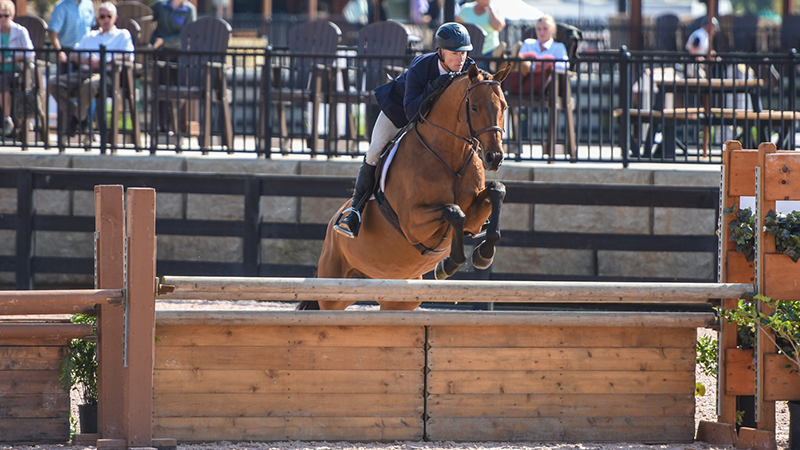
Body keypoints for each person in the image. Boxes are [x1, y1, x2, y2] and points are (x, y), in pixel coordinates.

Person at [334, 22, 475, 238]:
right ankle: (354, 213)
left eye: (464, 53)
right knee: (374, 151)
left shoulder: (467, 67)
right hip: (398, 112)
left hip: (433, 123)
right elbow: (410, 113)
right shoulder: (421, 66)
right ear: (440, 52)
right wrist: (435, 85)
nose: (461, 58)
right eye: (455, 53)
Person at [47, 2, 134, 137]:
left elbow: (129, 56)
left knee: (89, 85)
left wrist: (103, 61)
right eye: (102, 16)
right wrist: (85, 60)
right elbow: (73, 53)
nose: (105, 19)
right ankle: (80, 119)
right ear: (98, 18)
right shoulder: (90, 35)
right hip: (83, 71)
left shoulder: (122, 35)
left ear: (115, 18)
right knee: (51, 83)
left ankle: (75, 120)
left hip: (108, 75)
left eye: (109, 16)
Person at [150, 0, 196, 133]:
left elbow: (187, 34)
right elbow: (147, 18)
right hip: (161, 53)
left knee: (179, 91)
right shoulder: (160, 5)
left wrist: (165, 40)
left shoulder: (189, 10)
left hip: (179, 54)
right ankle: (163, 126)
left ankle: (175, 124)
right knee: (162, 90)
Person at [0, 0, 34, 137]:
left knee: (21, 85)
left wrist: (12, 58)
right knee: (2, 80)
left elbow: (30, 53)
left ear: (12, 16)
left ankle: (20, 121)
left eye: (6, 15)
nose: (3, 19)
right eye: (0, 16)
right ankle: (7, 119)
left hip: (20, 71)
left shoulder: (20, 32)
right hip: (2, 72)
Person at [456, 0, 505, 68]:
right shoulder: (466, 8)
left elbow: (498, 26)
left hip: (489, 49)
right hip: (470, 49)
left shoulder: (495, 9)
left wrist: (490, 8)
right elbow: (457, 26)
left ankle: (494, 62)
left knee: (488, 69)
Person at [48, 0, 95, 65]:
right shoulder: (61, 6)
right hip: (67, 53)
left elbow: (92, 27)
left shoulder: (89, 4)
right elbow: (52, 32)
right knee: (66, 75)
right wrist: (60, 51)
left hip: (87, 53)